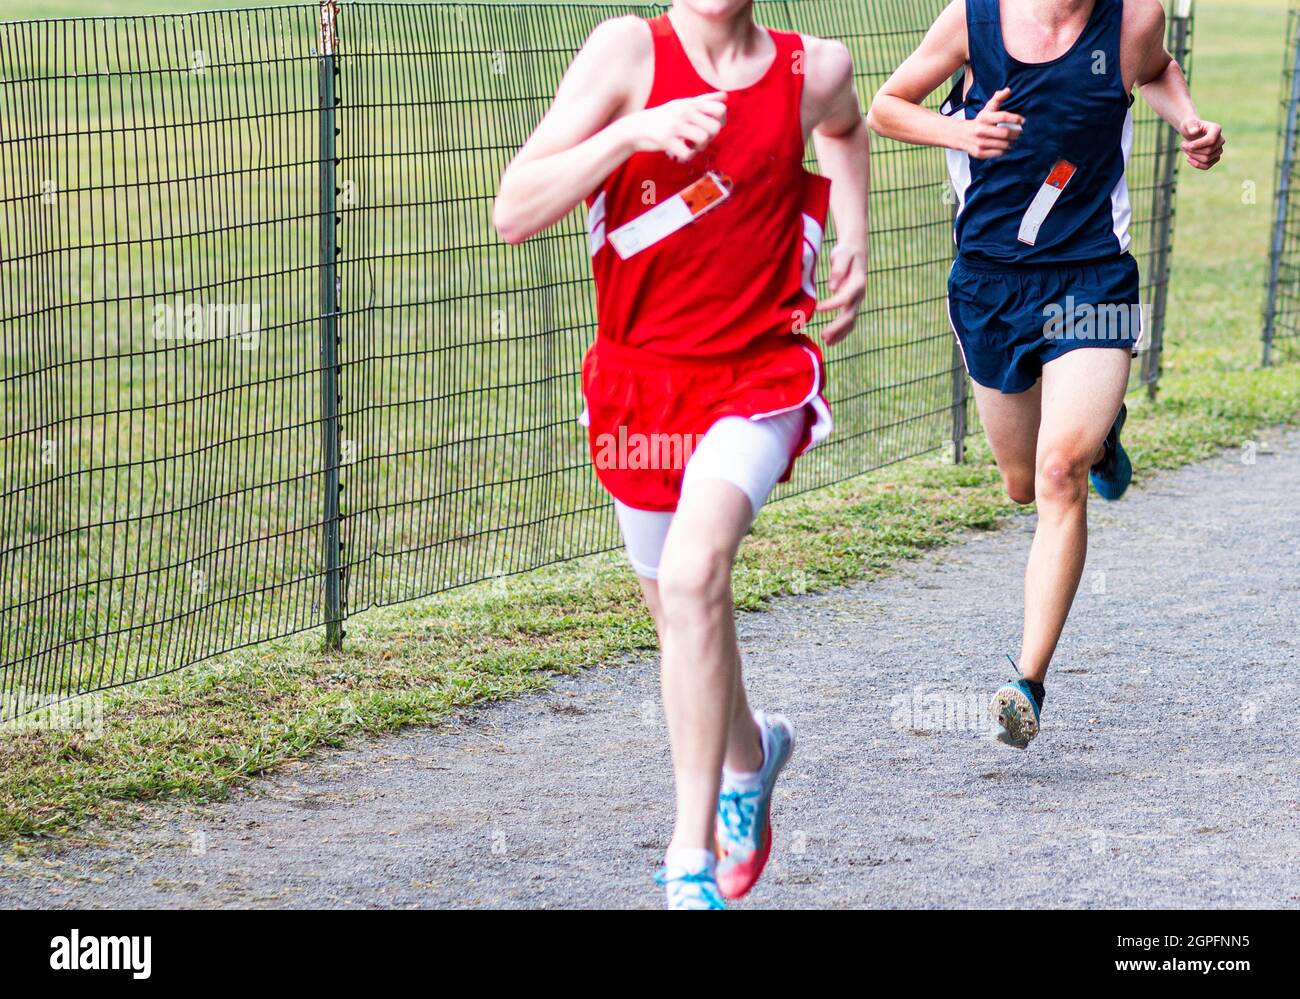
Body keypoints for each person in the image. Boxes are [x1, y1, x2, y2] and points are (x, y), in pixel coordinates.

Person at [494, 0, 869, 907]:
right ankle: (752, 754)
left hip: (759, 374)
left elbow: (848, 131)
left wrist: (853, 227)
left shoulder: (810, 68)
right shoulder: (627, 51)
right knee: (681, 616)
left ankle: (688, 857)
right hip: (640, 384)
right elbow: (514, 211)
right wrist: (632, 132)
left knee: (699, 576)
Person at [867, 0, 1222, 748]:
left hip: (1090, 275)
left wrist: (1188, 119)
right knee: (1023, 481)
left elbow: (1155, 71)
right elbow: (885, 107)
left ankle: (1025, 678)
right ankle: (1100, 431)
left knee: (1059, 472)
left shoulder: (1132, 21)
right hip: (992, 283)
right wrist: (959, 130)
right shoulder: (973, 21)